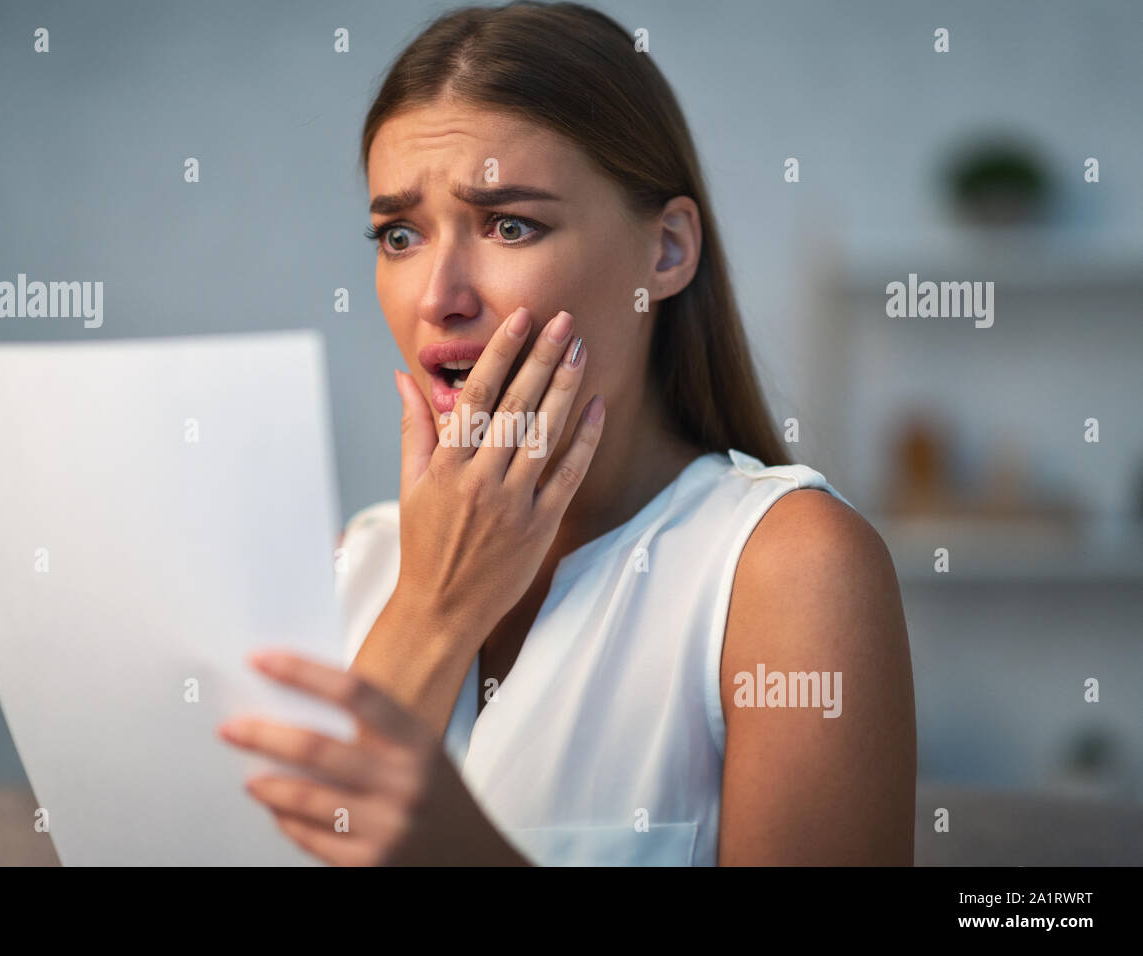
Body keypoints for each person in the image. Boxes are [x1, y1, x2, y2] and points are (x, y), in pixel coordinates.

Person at [218, 0, 915, 866]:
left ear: (665, 252)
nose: (439, 296)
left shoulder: (791, 570)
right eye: (399, 234)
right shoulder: (340, 570)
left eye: (510, 224)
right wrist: (433, 610)